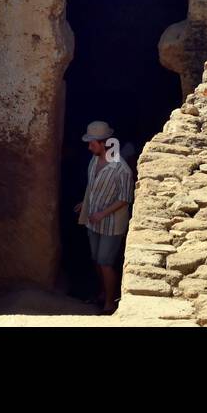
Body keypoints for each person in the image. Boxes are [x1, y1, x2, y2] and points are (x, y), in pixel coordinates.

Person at [74, 120, 133, 313]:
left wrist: (102, 213)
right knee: (96, 259)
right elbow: (93, 186)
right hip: (94, 221)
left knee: (106, 262)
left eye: (92, 142)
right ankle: (102, 294)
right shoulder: (94, 160)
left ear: (104, 142)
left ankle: (110, 302)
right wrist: (86, 203)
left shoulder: (121, 169)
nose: (89, 146)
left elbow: (125, 199)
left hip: (111, 224)